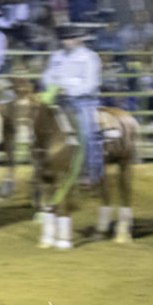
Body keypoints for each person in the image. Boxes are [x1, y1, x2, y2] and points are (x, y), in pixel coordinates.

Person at [41, 25, 103, 185]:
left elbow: (90, 84)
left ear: (79, 39)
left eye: (69, 38)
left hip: (83, 101)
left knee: (87, 134)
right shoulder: (57, 56)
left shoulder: (90, 57)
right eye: (63, 39)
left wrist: (67, 90)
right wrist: (52, 86)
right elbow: (47, 76)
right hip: (58, 98)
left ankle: (92, 172)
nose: (65, 41)